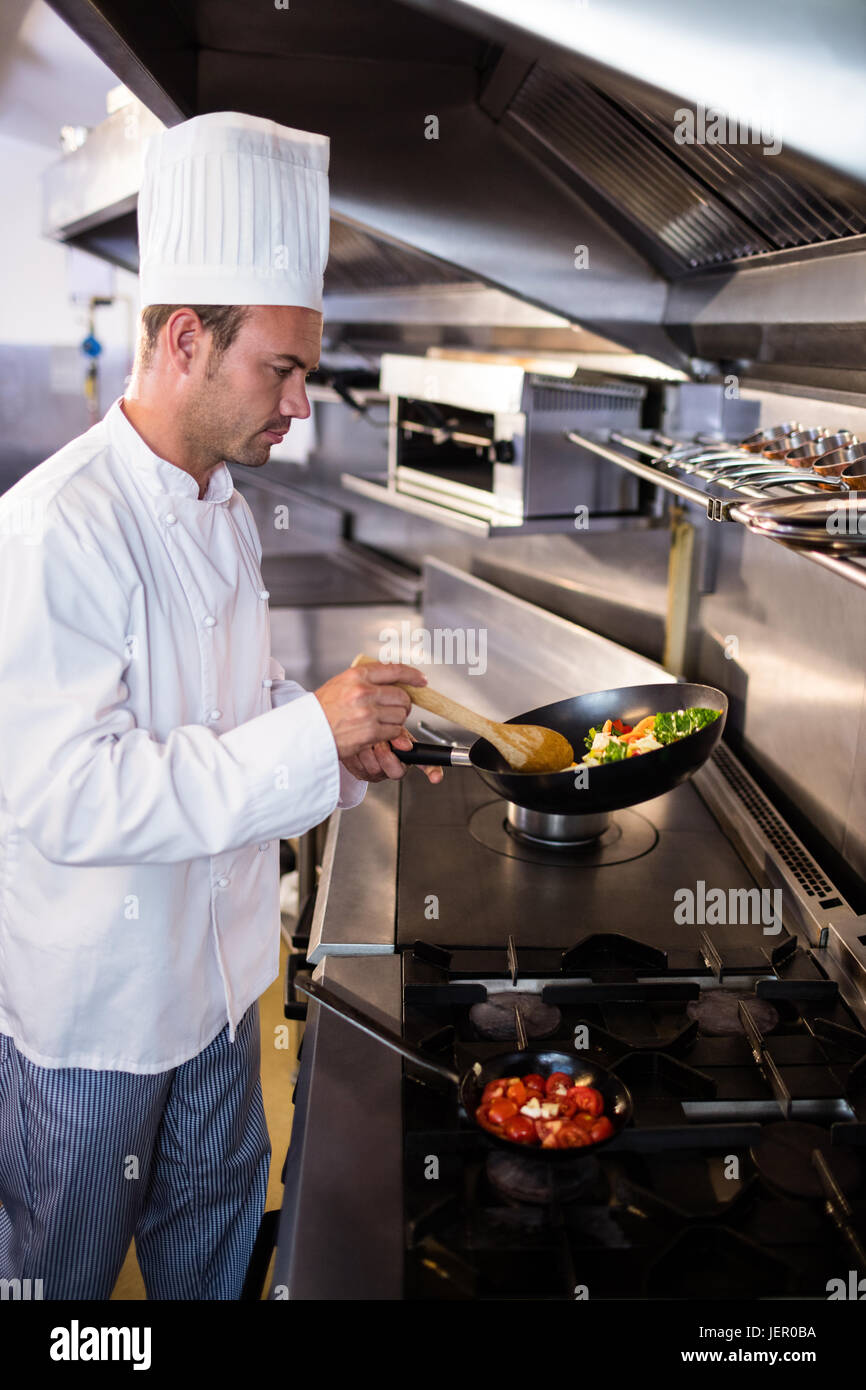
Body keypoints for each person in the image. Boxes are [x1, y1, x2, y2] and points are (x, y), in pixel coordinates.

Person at [0, 111, 441, 1300]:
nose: (298, 405)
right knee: (61, 1291)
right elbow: (70, 795)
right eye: (280, 370)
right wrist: (308, 736)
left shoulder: (224, 507)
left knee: (210, 1266)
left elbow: (238, 709)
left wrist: (349, 745)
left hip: (219, 994)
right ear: (185, 338)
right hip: (95, 1021)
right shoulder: (55, 527)